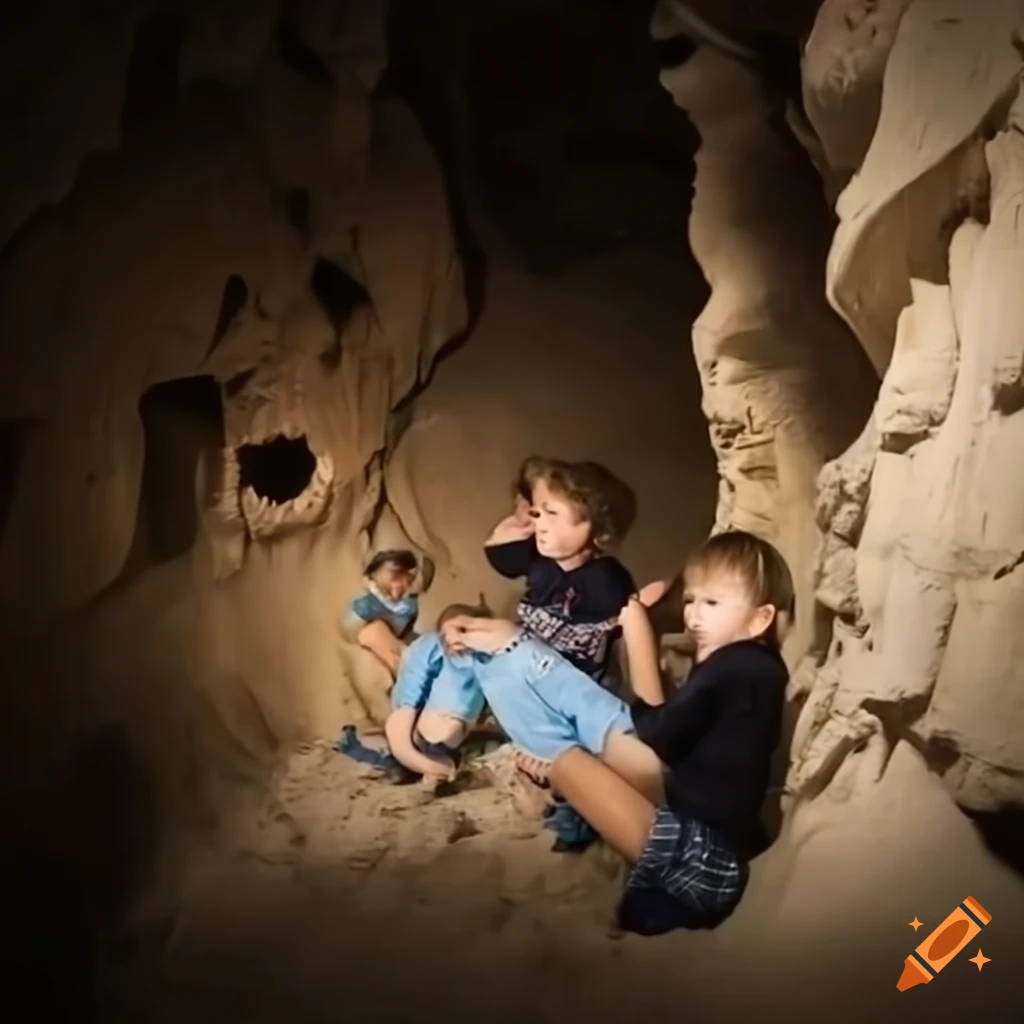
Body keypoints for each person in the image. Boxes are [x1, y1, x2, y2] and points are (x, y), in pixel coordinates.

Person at [442, 530, 793, 935]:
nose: (694, 615)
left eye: (712, 603)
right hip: (712, 836)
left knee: (570, 764)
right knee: (585, 751)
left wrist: (642, 649)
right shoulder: (756, 666)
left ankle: (519, 660)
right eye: (692, 601)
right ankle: (517, 655)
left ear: (760, 618)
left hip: (706, 864)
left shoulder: (732, 666)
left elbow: (659, 734)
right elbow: (679, 749)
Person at [385, 601, 491, 781]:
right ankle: (429, 765)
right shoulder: (430, 649)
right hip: (430, 724)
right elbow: (409, 695)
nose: (455, 640)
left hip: (467, 725)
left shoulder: (488, 658)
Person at [342, 549, 420, 680]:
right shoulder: (365, 603)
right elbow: (350, 629)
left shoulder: (408, 605)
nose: (400, 583)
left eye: (406, 577)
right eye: (395, 576)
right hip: (373, 650)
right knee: (374, 631)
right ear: (374, 574)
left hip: (403, 643)